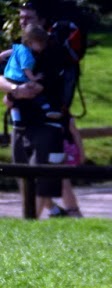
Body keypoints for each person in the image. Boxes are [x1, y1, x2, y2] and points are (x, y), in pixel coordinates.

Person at [1, 17, 67, 217]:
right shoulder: (17, 55)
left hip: (47, 124)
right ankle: (35, 216)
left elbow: (37, 88)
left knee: (43, 176)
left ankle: (32, 221)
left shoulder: (53, 56)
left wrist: (18, 92)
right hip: (21, 125)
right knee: (23, 175)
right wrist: (14, 89)